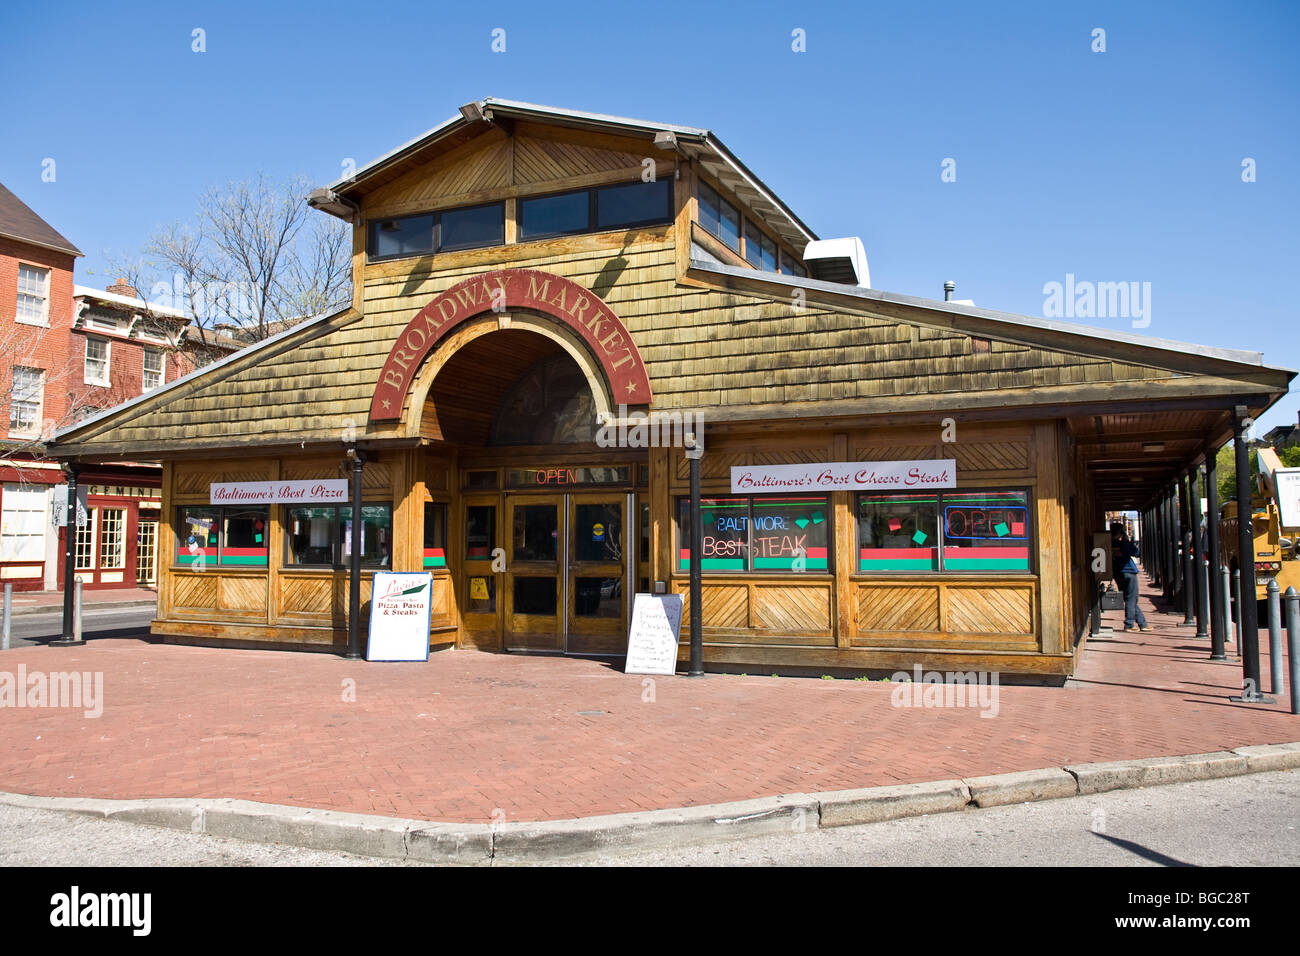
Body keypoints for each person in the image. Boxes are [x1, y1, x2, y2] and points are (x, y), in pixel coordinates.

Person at [1111, 524, 1151, 632]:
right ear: (1121, 532)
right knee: (1131, 598)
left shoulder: (1109, 543)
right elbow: (1136, 552)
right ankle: (1129, 623)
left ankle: (1142, 623)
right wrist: (1126, 540)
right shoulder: (1123, 543)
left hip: (1118, 573)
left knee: (1130, 598)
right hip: (1128, 571)